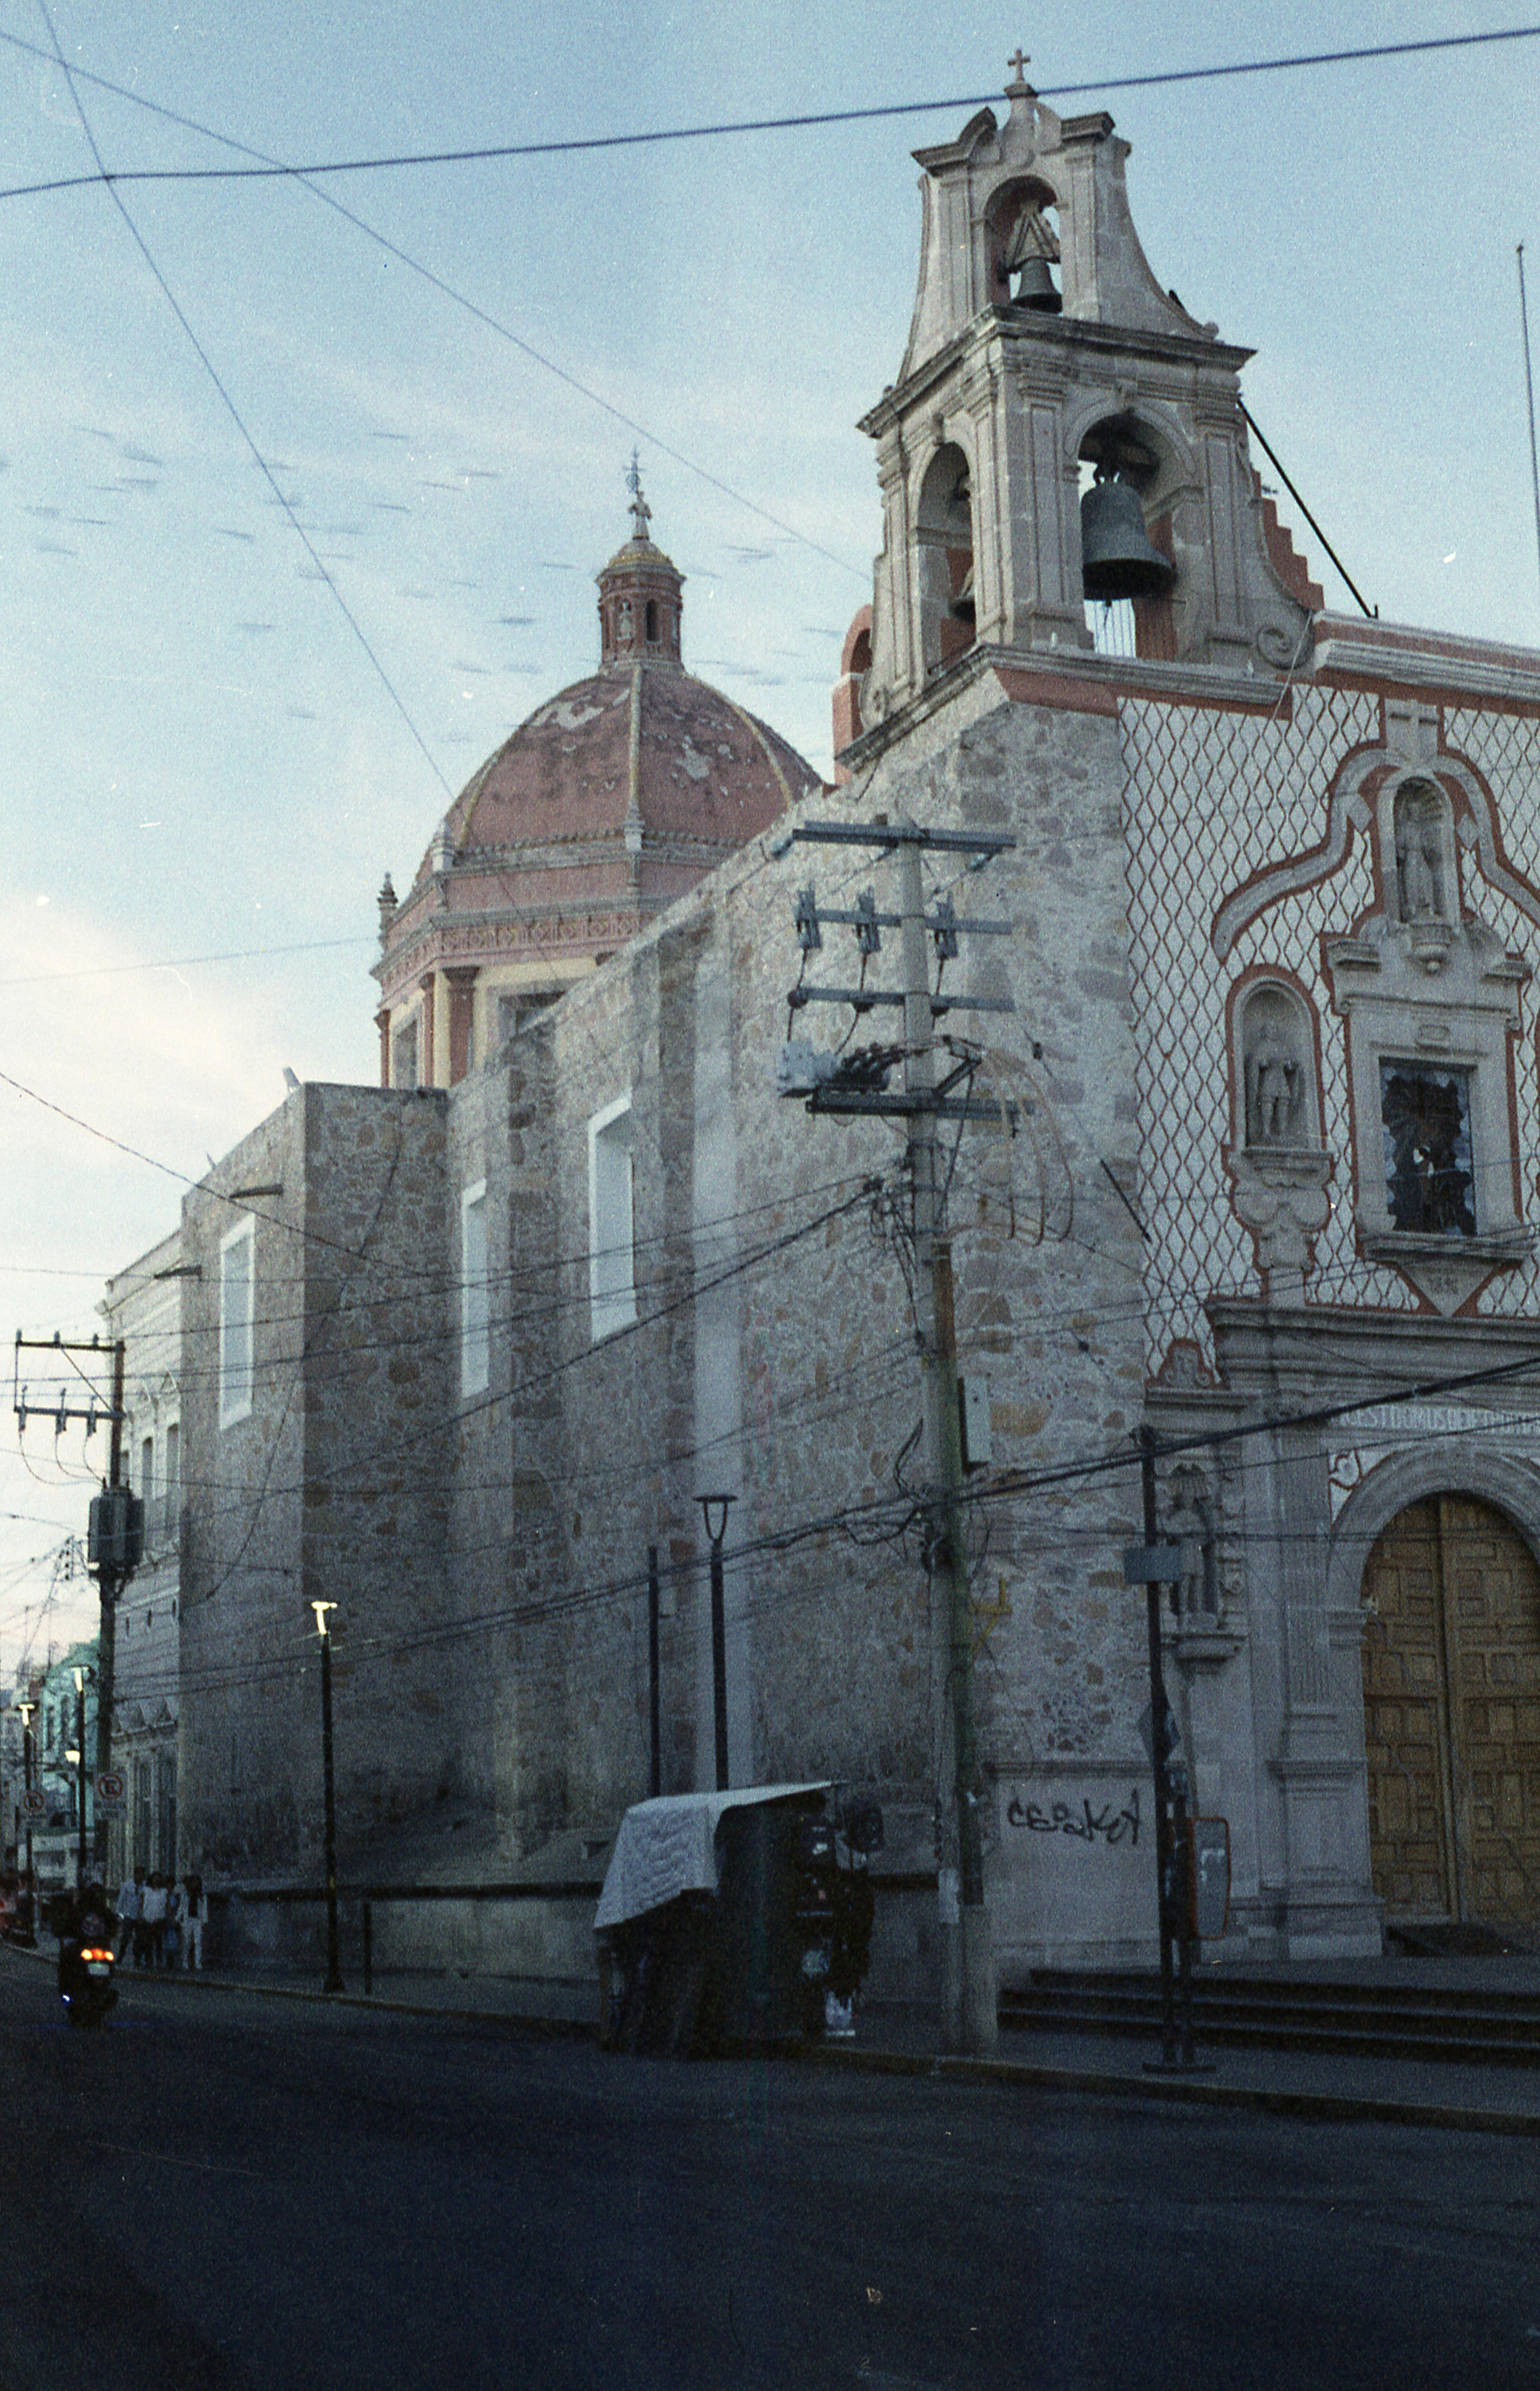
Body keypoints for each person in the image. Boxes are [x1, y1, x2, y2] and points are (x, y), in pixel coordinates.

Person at [140, 1870, 168, 1968]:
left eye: (158, 1879)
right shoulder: (146, 1891)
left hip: (159, 1920)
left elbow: (167, 1906)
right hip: (148, 1919)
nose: (156, 1881)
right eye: (155, 1879)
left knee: (159, 1942)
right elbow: (142, 1904)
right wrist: (140, 1916)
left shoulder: (164, 1892)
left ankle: (159, 1961)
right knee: (148, 1942)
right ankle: (149, 1961)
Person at [116, 1864, 143, 1965]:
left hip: (139, 1917)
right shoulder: (127, 1885)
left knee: (139, 1939)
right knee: (126, 1938)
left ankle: (137, 1959)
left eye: (142, 1875)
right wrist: (119, 1914)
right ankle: (121, 1957)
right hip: (128, 1915)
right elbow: (121, 1900)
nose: (140, 1877)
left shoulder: (144, 1887)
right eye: (138, 1875)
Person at [182, 1873, 206, 1971]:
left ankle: (198, 1963)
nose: (195, 1884)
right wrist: (178, 1918)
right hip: (188, 1920)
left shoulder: (202, 1896)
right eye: (194, 1882)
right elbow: (182, 1908)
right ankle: (185, 1962)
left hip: (198, 1921)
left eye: (197, 1882)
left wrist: (205, 1921)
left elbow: (205, 1909)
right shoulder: (186, 1895)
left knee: (198, 1941)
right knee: (187, 1942)